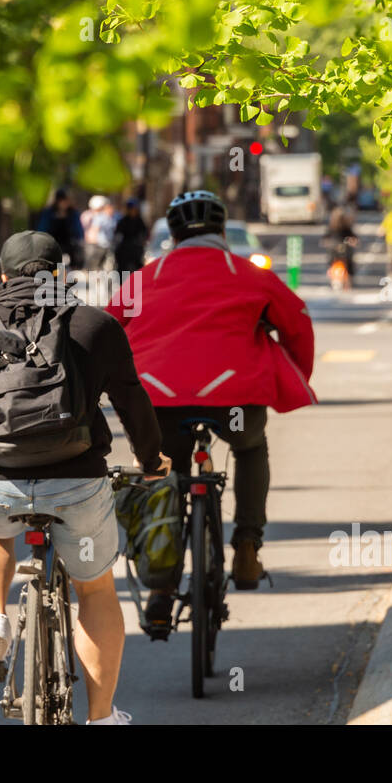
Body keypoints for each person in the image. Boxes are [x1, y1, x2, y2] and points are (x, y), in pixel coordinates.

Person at [0, 230, 170, 725]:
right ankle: (102, 716)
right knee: (94, 589)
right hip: (77, 483)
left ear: (1, 275)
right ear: (60, 275)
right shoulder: (95, 325)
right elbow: (133, 403)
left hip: (0, 481)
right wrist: (152, 462)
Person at [105, 191, 316, 636]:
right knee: (250, 447)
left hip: (159, 397)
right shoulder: (248, 274)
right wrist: (295, 373)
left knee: (164, 471)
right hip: (234, 397)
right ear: (222, 232)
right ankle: (246, 546)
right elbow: (297, 322)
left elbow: (107, 330)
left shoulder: (146, 277)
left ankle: (161, 586)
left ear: (174, 235)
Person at [34, 187, 85, 268]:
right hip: (52, 245)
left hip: (70, 245)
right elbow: (42, 229)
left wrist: (80, 240)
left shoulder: (73, 214)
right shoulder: (48, 213)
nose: (64, 203)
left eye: (66, 200)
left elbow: (78, 230)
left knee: (71, 266)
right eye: (62, 200)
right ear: (57, 201)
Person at [112, 198, 149, 275]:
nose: (133, 211)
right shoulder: (123, 221)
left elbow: (145, 234)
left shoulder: (140, 221)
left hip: (136, 252)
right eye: (131, 209)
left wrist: (142, 242)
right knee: (123, 272)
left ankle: (136, 286)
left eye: (134, 209)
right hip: (124, 251)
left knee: (137, 273)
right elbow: (117, 235)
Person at [325, 202, 358, 288]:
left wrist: (326, 242)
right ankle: (350, 276)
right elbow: (352, 236)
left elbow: (326, 236)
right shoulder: (345, 226)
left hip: (334, 248)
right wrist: (353, 241)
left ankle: (330, 271)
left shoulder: (332, 226)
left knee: (331, 260)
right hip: (344, 248)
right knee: (349, 261)